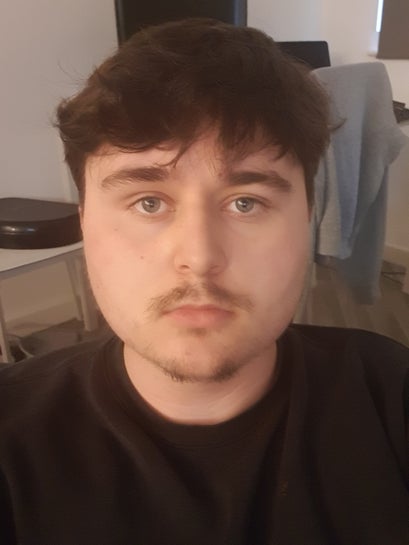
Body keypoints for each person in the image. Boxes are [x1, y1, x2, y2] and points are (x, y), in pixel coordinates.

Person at [0, 18, 408, 545]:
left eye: (246, 203)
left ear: (307, 219)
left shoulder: (390, 397)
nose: (199, 257)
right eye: (149, 202)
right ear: (85, 223)